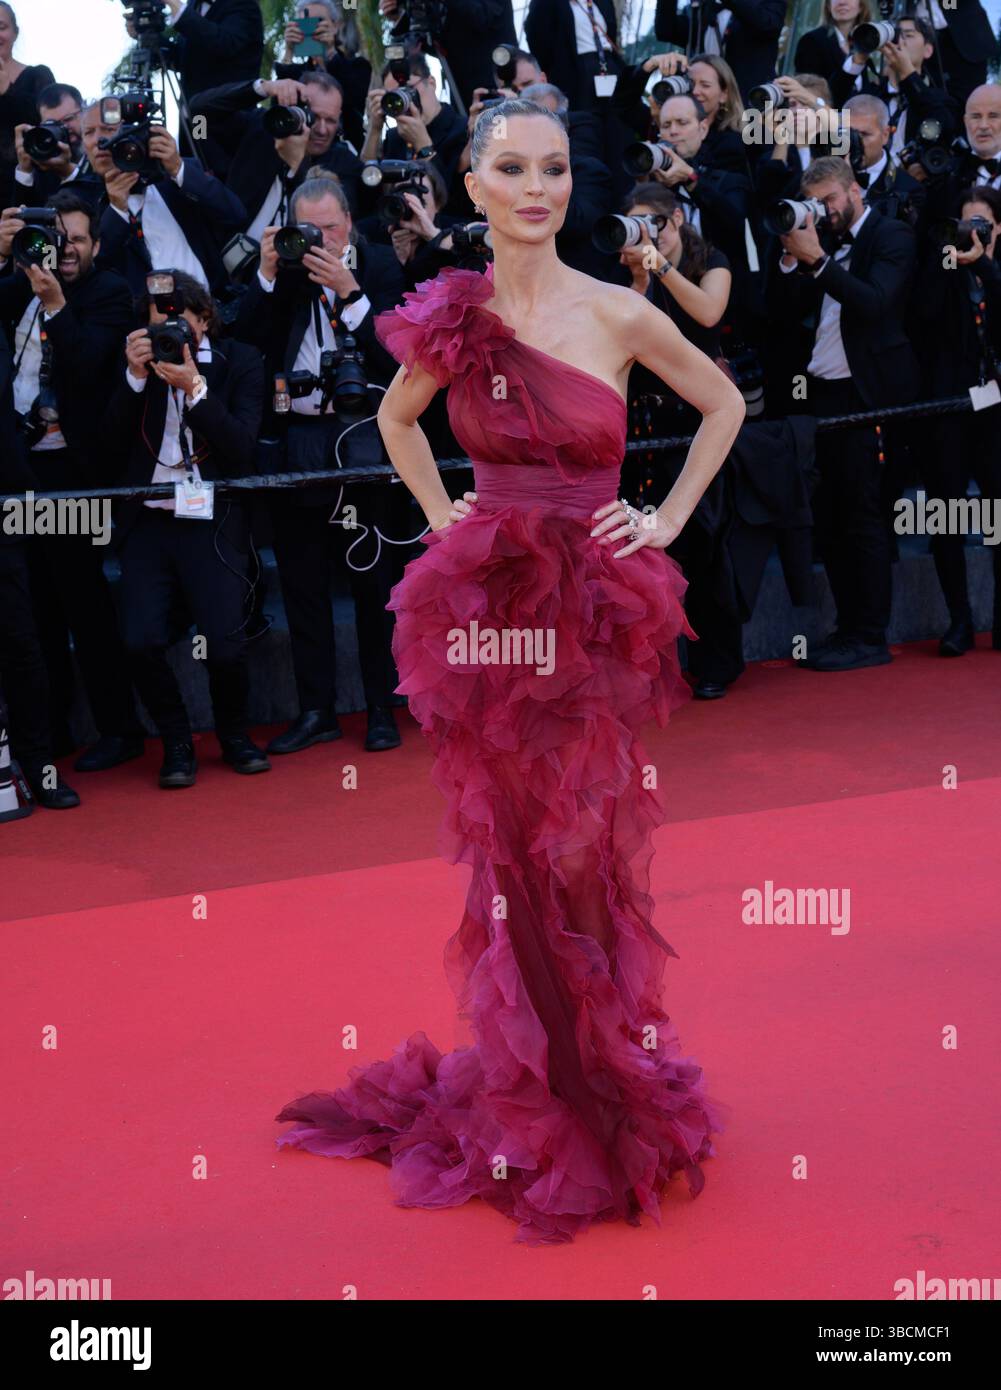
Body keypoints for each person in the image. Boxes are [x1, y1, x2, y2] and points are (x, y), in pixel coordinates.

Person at [274, 98, 744, 1245]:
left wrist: (665, 518)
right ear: (474, 186)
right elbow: (395, 423)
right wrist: (443, 515)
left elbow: (724, 401)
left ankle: (594, 1079)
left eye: (553, 169)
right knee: (512, 844)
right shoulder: (456, 318)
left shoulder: (618, 310)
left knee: (583, 842)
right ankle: (542, 1087)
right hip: (487, 608)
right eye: (512, 169)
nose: (537, 188)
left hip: (590, 609)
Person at [232, 173, 407, 756]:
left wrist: (351, 294)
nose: (320, 242)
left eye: (330, 229)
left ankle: (381, 707)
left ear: (349, 224)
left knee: (371, 580)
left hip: (362, 435)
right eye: (308, 230)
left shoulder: (378, 265)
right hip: (298, 437)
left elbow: (399, 354)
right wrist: (266, 273)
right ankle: (317, 710)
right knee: (302, 580)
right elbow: (247, 342)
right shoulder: (283, 270)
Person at [0, 193, 146, 774]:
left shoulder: (108, 292)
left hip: (71, 472)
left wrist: (56, 304)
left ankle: (120, 730)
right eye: (55, 238)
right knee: (34, 606)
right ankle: (49, 733)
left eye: (77, 240)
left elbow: (88, 366)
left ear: (97, 246)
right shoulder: (17, 285)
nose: (64, 250)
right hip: (18, 468)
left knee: (83, 602)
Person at [105, 270, 269, 788]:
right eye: (159, 324)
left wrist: (195, 388)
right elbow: (103, 447)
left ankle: (234, 734)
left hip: (212, 519)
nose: (170, 333)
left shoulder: (241, 361)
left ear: (205, 319)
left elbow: (241, 448)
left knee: (225, 645)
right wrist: (135, 379)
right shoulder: (136, 365)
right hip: (148, 520)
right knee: (139, 640)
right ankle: (176, 739)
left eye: (180, 322)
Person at [769, 155, 919, 671]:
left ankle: (870, 635)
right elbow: (782, 313)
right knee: (830, 516)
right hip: (821, 394)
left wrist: (817, 260)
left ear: (855, 191)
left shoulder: (892, 235)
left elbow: (874, 303)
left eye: (830, 199)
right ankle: (846, 630)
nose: (825, 210)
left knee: (863, 515)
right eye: (815, 203)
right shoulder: (821, 240)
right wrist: (792, 259)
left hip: (868, 395)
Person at [913, 185, 1001, 655]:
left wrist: (984, 264)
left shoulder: (995, 271)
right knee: (946, 515)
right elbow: (923, 315)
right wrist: (949, 262)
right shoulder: (943, 270)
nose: (972, 233)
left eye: (981, 225)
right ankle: (959, 622)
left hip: (995, 414)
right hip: (947, 409)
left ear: (998, 229)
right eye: (965, 224)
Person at [278, 1, 370, 152]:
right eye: (305, 23)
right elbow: (280, 106)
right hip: (301, 153)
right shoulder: (296, 73)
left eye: (319, 21)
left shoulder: (358, 66)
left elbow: (353, 100)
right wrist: (288, 52)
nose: (313, 27)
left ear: (335, 26)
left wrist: (330, 52)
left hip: (346, 152)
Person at [654, 1, 786, 100]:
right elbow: (665, 31)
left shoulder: (763, 4)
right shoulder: (700, 8)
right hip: (702, 102)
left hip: (747, 102)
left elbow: (769, 26)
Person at [0, 2, 54, 212]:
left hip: (26, 189)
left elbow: (47, 123)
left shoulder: (37, 76)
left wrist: (7, 90)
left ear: (15, 32)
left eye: (1, 27)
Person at [794, 0, 875, 89]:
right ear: (829, 6)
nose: (842, 2)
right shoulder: (811, 41)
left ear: (861, 6)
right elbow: (808, 92)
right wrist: (854, 64)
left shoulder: (860, 44)